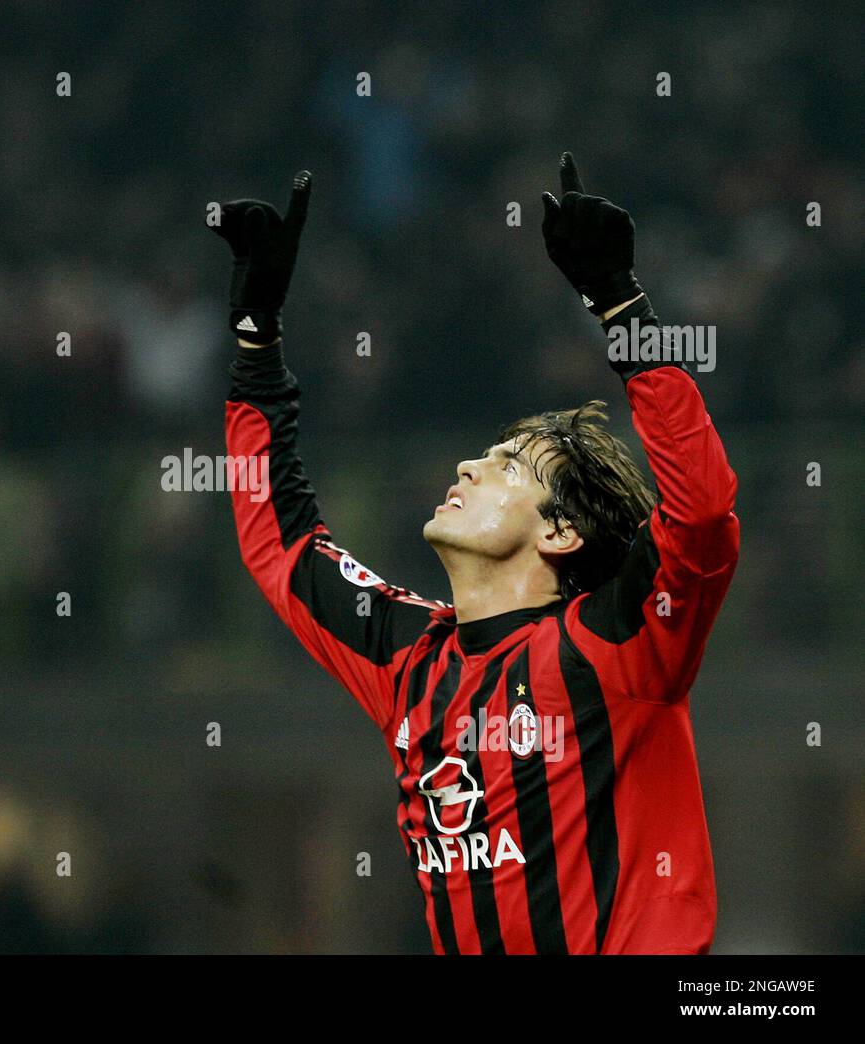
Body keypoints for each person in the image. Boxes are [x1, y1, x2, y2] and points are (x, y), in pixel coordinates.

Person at [210, 154, 740, 954]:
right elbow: (277, 542)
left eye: (508, 465)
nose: (467, 465)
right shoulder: (407, 659)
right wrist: (257, 340)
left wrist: (622, 306)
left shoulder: (619, 647)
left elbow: (700, 514)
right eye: (482, 454)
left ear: (561, 533)